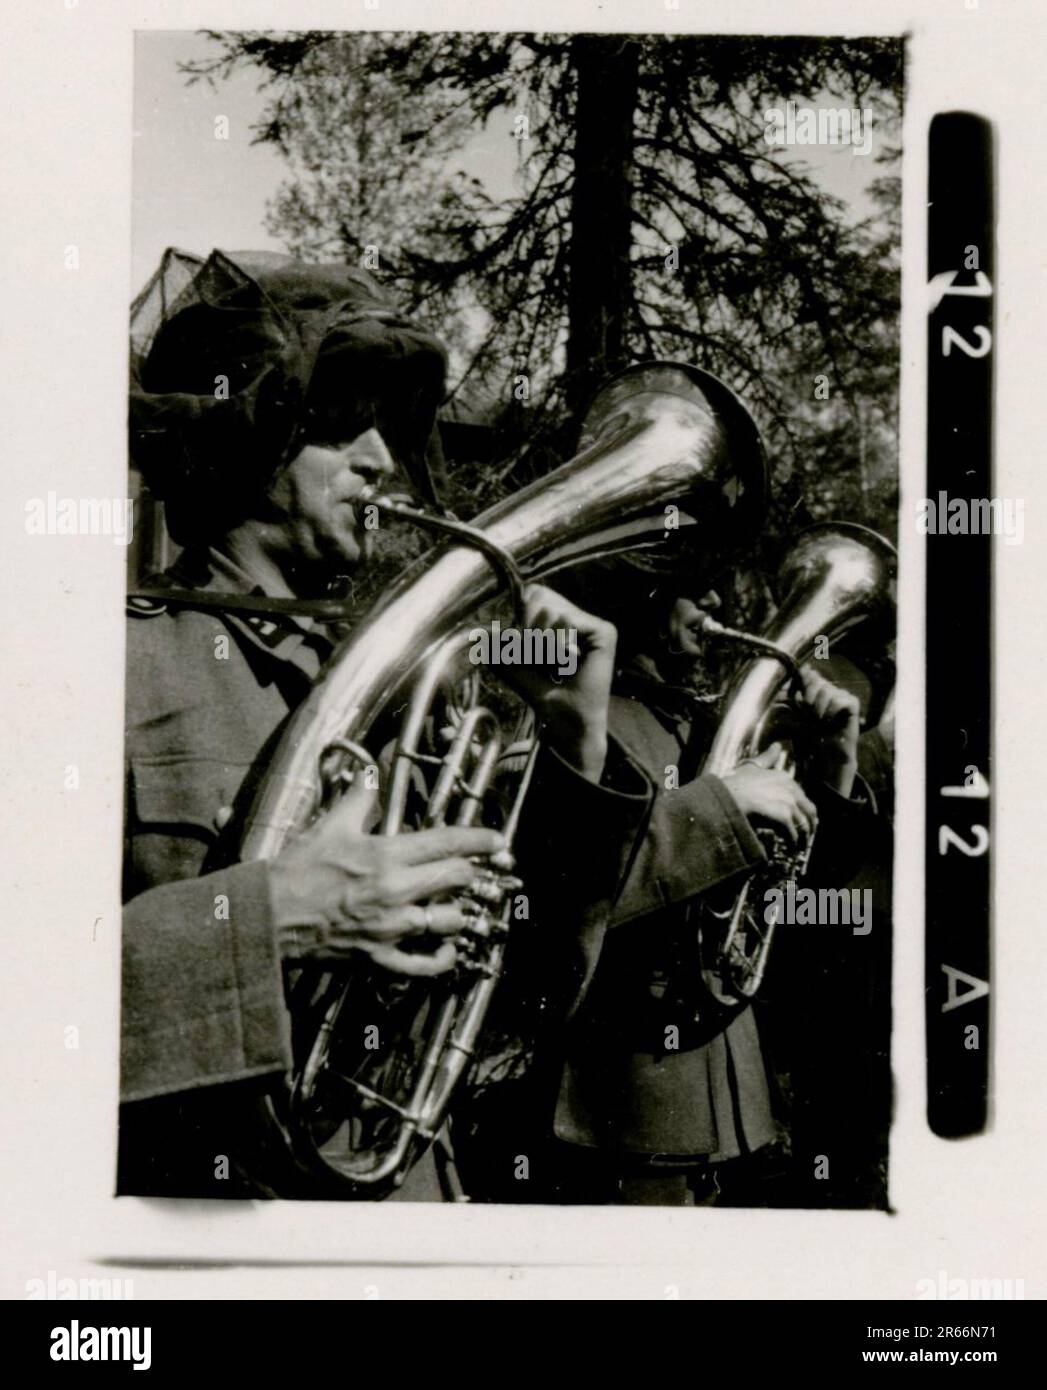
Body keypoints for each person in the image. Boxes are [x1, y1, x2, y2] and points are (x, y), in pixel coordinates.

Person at [119, 250, 650, 1198]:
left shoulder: (420, 685)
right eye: (340, 423)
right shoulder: (107, 662)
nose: (381, 459)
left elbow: (518, 1011)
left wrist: (575, 743)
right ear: (242, 427)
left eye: (392, 426)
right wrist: (264, 923)